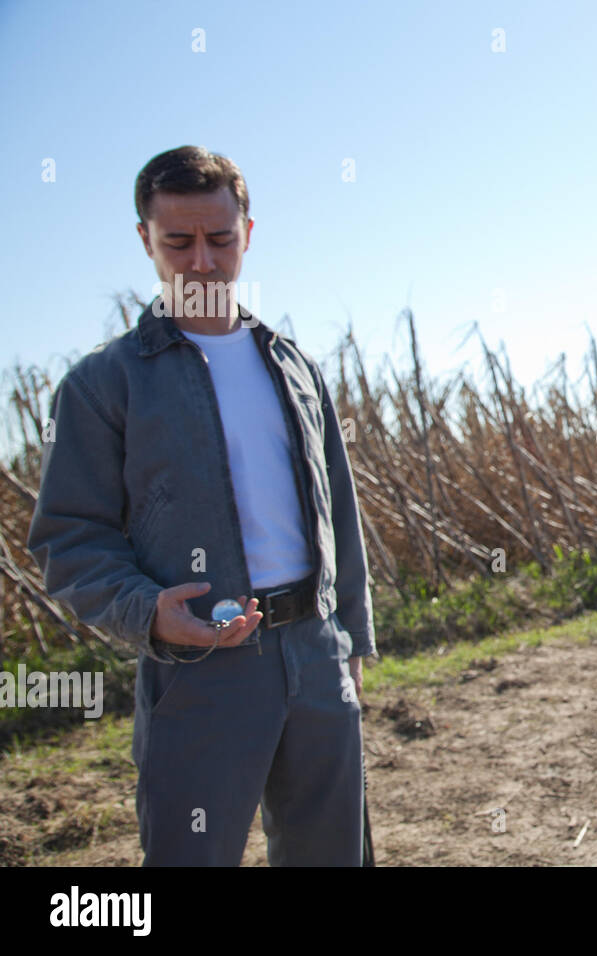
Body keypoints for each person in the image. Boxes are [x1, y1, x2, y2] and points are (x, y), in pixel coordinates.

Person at [27, 145, 376, 865]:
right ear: (144, 241)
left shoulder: (296, 367)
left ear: (247, 233)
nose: (203, 263)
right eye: (177, 242)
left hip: (316, 654)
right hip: (201, 666)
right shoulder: (103, 384)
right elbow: (69, 537)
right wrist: (147, 611)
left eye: (220, 240)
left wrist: (352, 640)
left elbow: (340, 510)